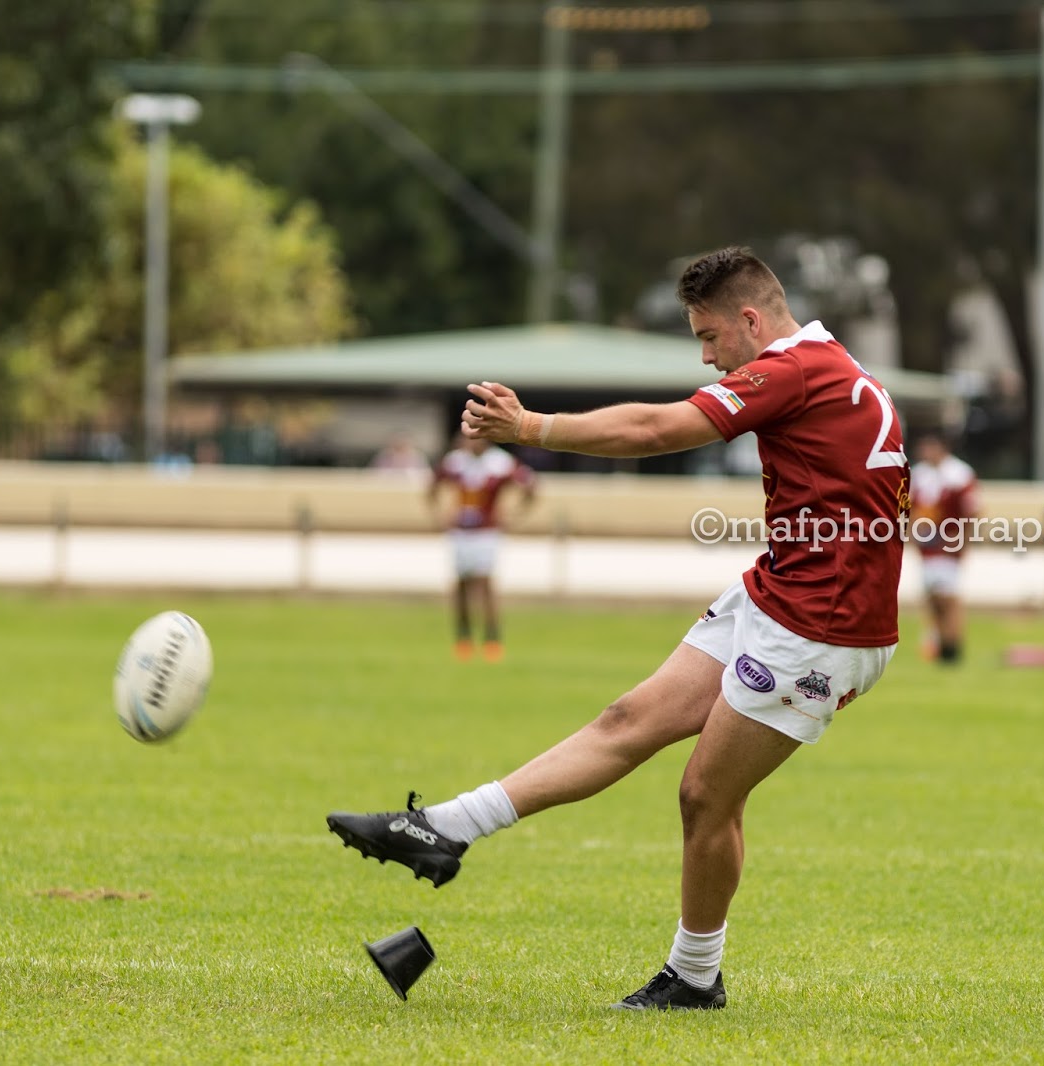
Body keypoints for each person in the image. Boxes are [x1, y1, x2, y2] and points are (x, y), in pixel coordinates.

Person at [327, 246, 908, 1010]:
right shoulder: (827, 367)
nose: (707, 358)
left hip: (821, 626)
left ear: (750, 320)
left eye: (708, 338)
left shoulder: (793, 368)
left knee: (705, 795)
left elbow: (653, 429)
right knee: (627, 719)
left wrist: (532, 425)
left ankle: (695, 977)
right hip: (780, 592)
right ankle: (442, 827)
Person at [429, 433, 536, 662]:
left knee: (486, 584)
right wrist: (440, 515)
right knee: (461, 585)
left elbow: (529, 485)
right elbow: (433, 485)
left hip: (486, 532)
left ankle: (492, 639)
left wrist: (515, 515)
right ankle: (463, 638)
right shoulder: (455, 461)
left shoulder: (500, 462)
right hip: (461, 531)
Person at [909, 432, 979, 664]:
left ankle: (952, 645)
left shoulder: (959, 474)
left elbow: (971, 511)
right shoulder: (918, 475)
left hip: (949, 544)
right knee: (932, 596)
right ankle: (939, 641)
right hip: (927, 546)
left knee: (948, 596)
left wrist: (964, 541)